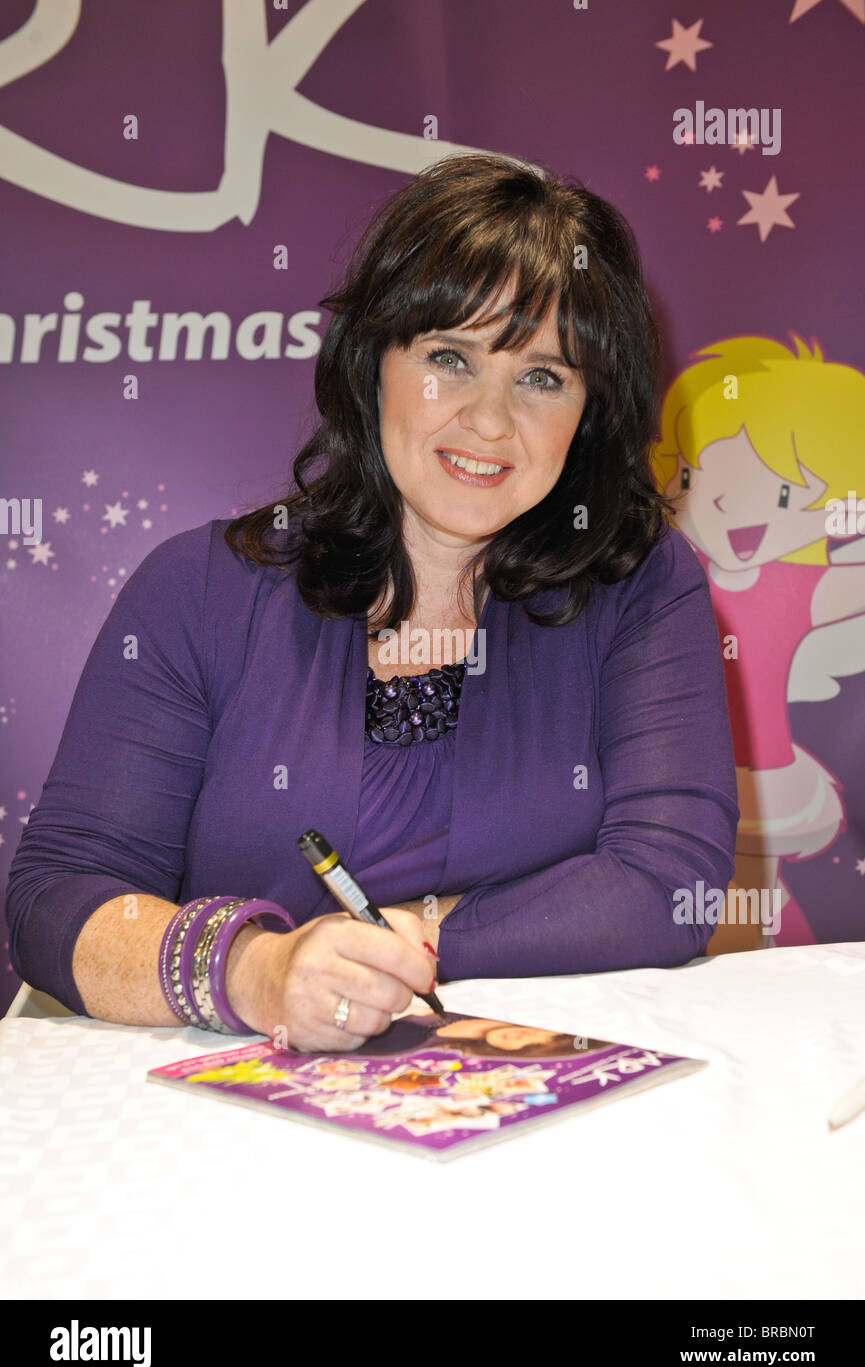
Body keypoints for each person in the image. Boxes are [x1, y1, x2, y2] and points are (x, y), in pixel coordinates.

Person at [5, 153, 739, 1053]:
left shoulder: (640, 585)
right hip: (232, 1133)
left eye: (543, 376)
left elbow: (672, 885)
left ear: (590, 408)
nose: (489, 420)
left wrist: (408, 943)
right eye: (448, 358)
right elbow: (57, 902)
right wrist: (260, 972)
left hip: (531, 1127)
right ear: (372, 365)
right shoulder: (198, 591)